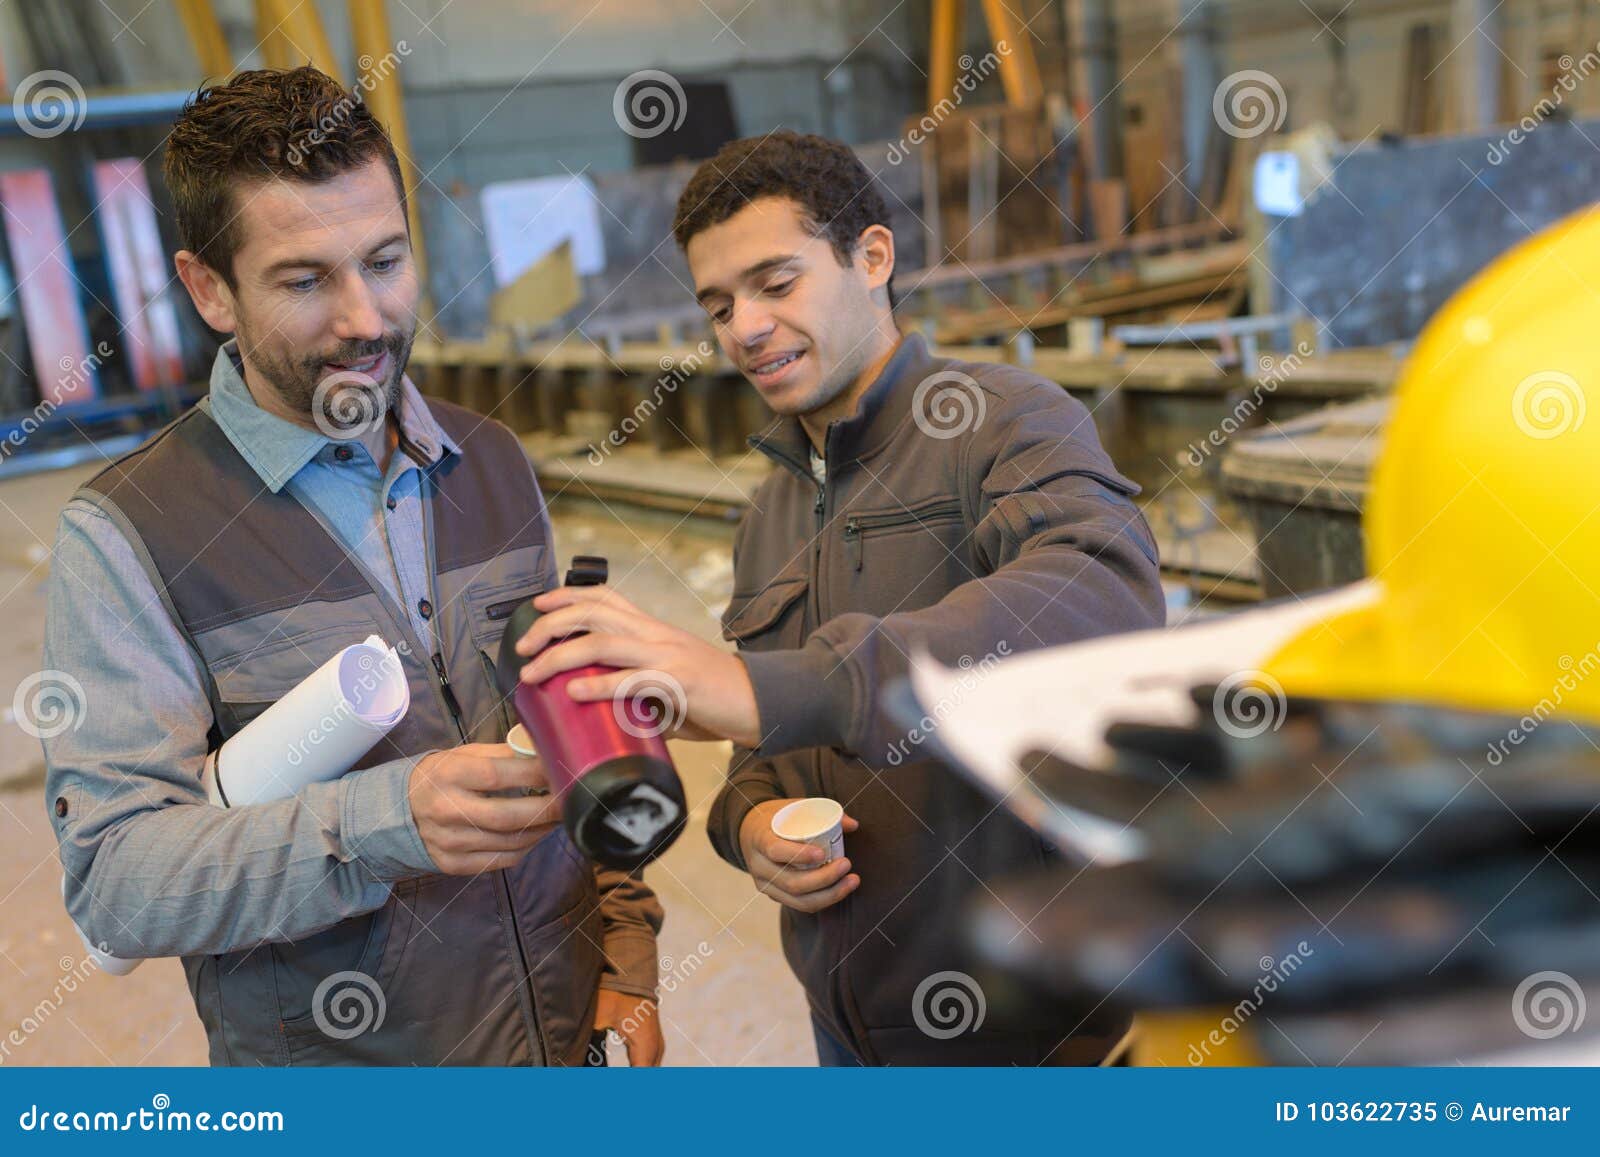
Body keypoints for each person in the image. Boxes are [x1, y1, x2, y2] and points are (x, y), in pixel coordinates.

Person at [41, 67, 662, 1067]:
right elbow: (116, 876)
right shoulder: (130, 534)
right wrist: (379, 823)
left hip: (569, 1037)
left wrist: (627, 956)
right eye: (304, 280)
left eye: (384, 260)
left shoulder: (491, 462)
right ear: (209, 288)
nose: (365, 319)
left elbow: (573, 718)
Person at [512, 131, 1165, 1064]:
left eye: (776, 284)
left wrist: (774, 683)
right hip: (853, 1038)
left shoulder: (1004, 423)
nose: (743, 326)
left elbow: (1104, 595)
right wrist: (750, 824)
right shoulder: (770, 514)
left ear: (872, 257)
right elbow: (759, 758)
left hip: (1047, 1036)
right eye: (720, 304)